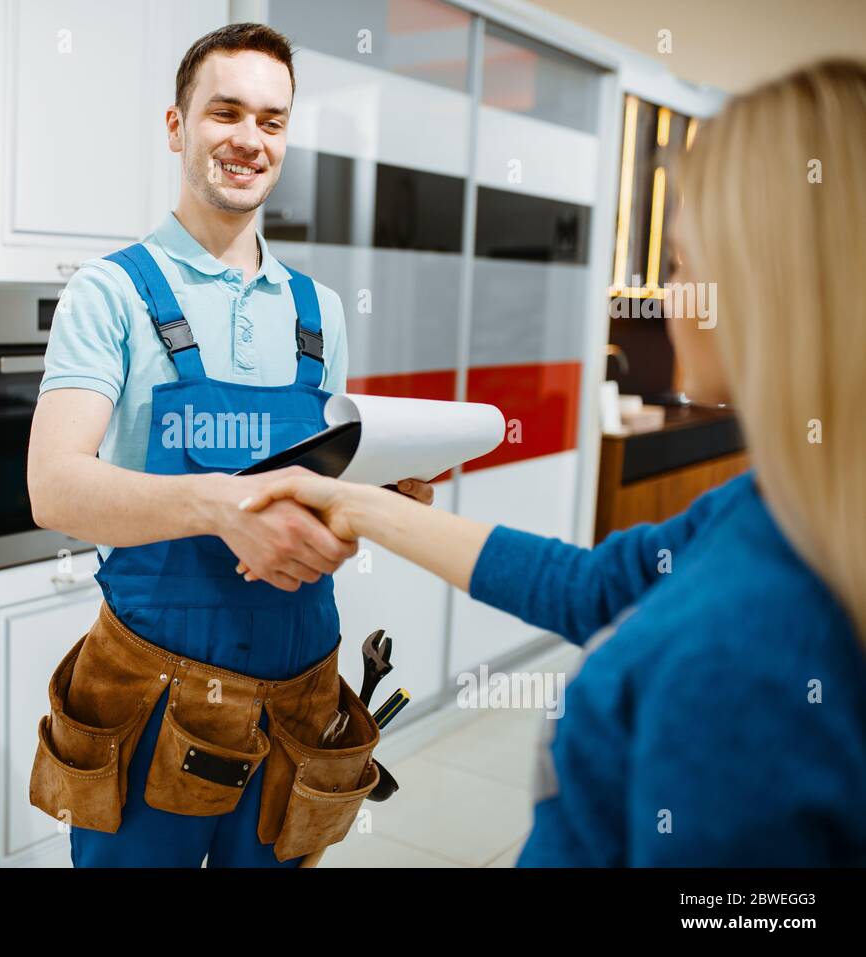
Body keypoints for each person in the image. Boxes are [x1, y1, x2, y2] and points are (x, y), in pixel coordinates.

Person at [239, 59, 866, 866]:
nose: (667, 297)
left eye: (677, 264)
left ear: (762, 288)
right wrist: (357, 503)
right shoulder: (773, 510)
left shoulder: (742, 658)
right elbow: (593, 586)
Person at [27, 23, 431, 868]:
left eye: (273, 120)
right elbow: (54, 487)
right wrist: (219, 503)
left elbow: (317, 488)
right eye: (226, 112)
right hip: (148, 702)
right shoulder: (111, 293)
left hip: (300, 697)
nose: (251, 138)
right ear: (177, 126)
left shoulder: (319, 311)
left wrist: (374, 500)